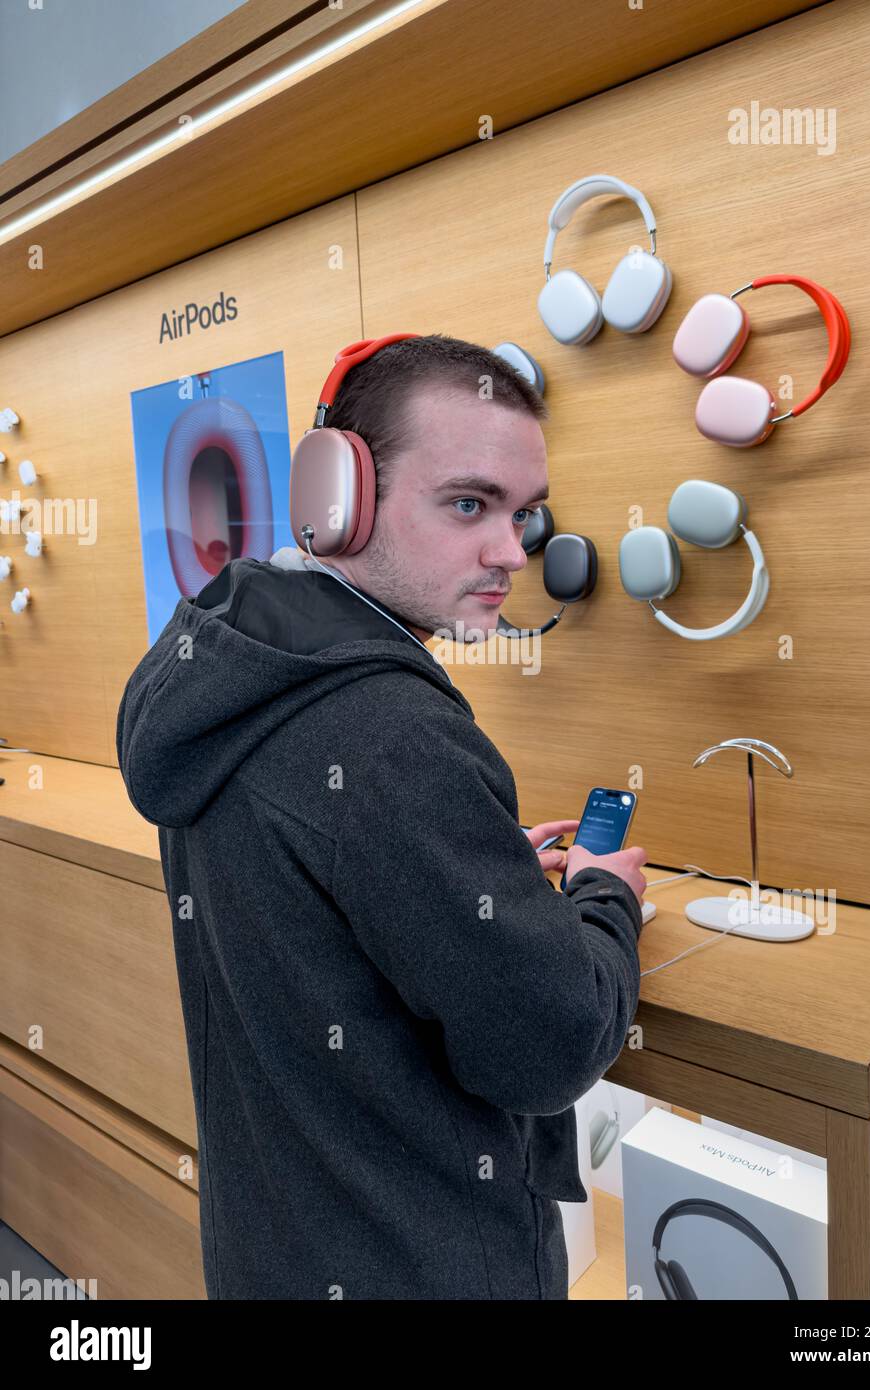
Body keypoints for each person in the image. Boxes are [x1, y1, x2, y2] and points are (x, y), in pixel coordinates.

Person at [116, 332, 648, 1300]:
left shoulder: (224, 668)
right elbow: (549, 1046)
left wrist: (471, 870)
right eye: (466, 503)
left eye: (524, 514)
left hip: (274, 1244)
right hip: (420, 1256)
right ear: (338, 500)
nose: (509, 552)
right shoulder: (393, 733)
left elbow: (330, 887)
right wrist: (605, 899)